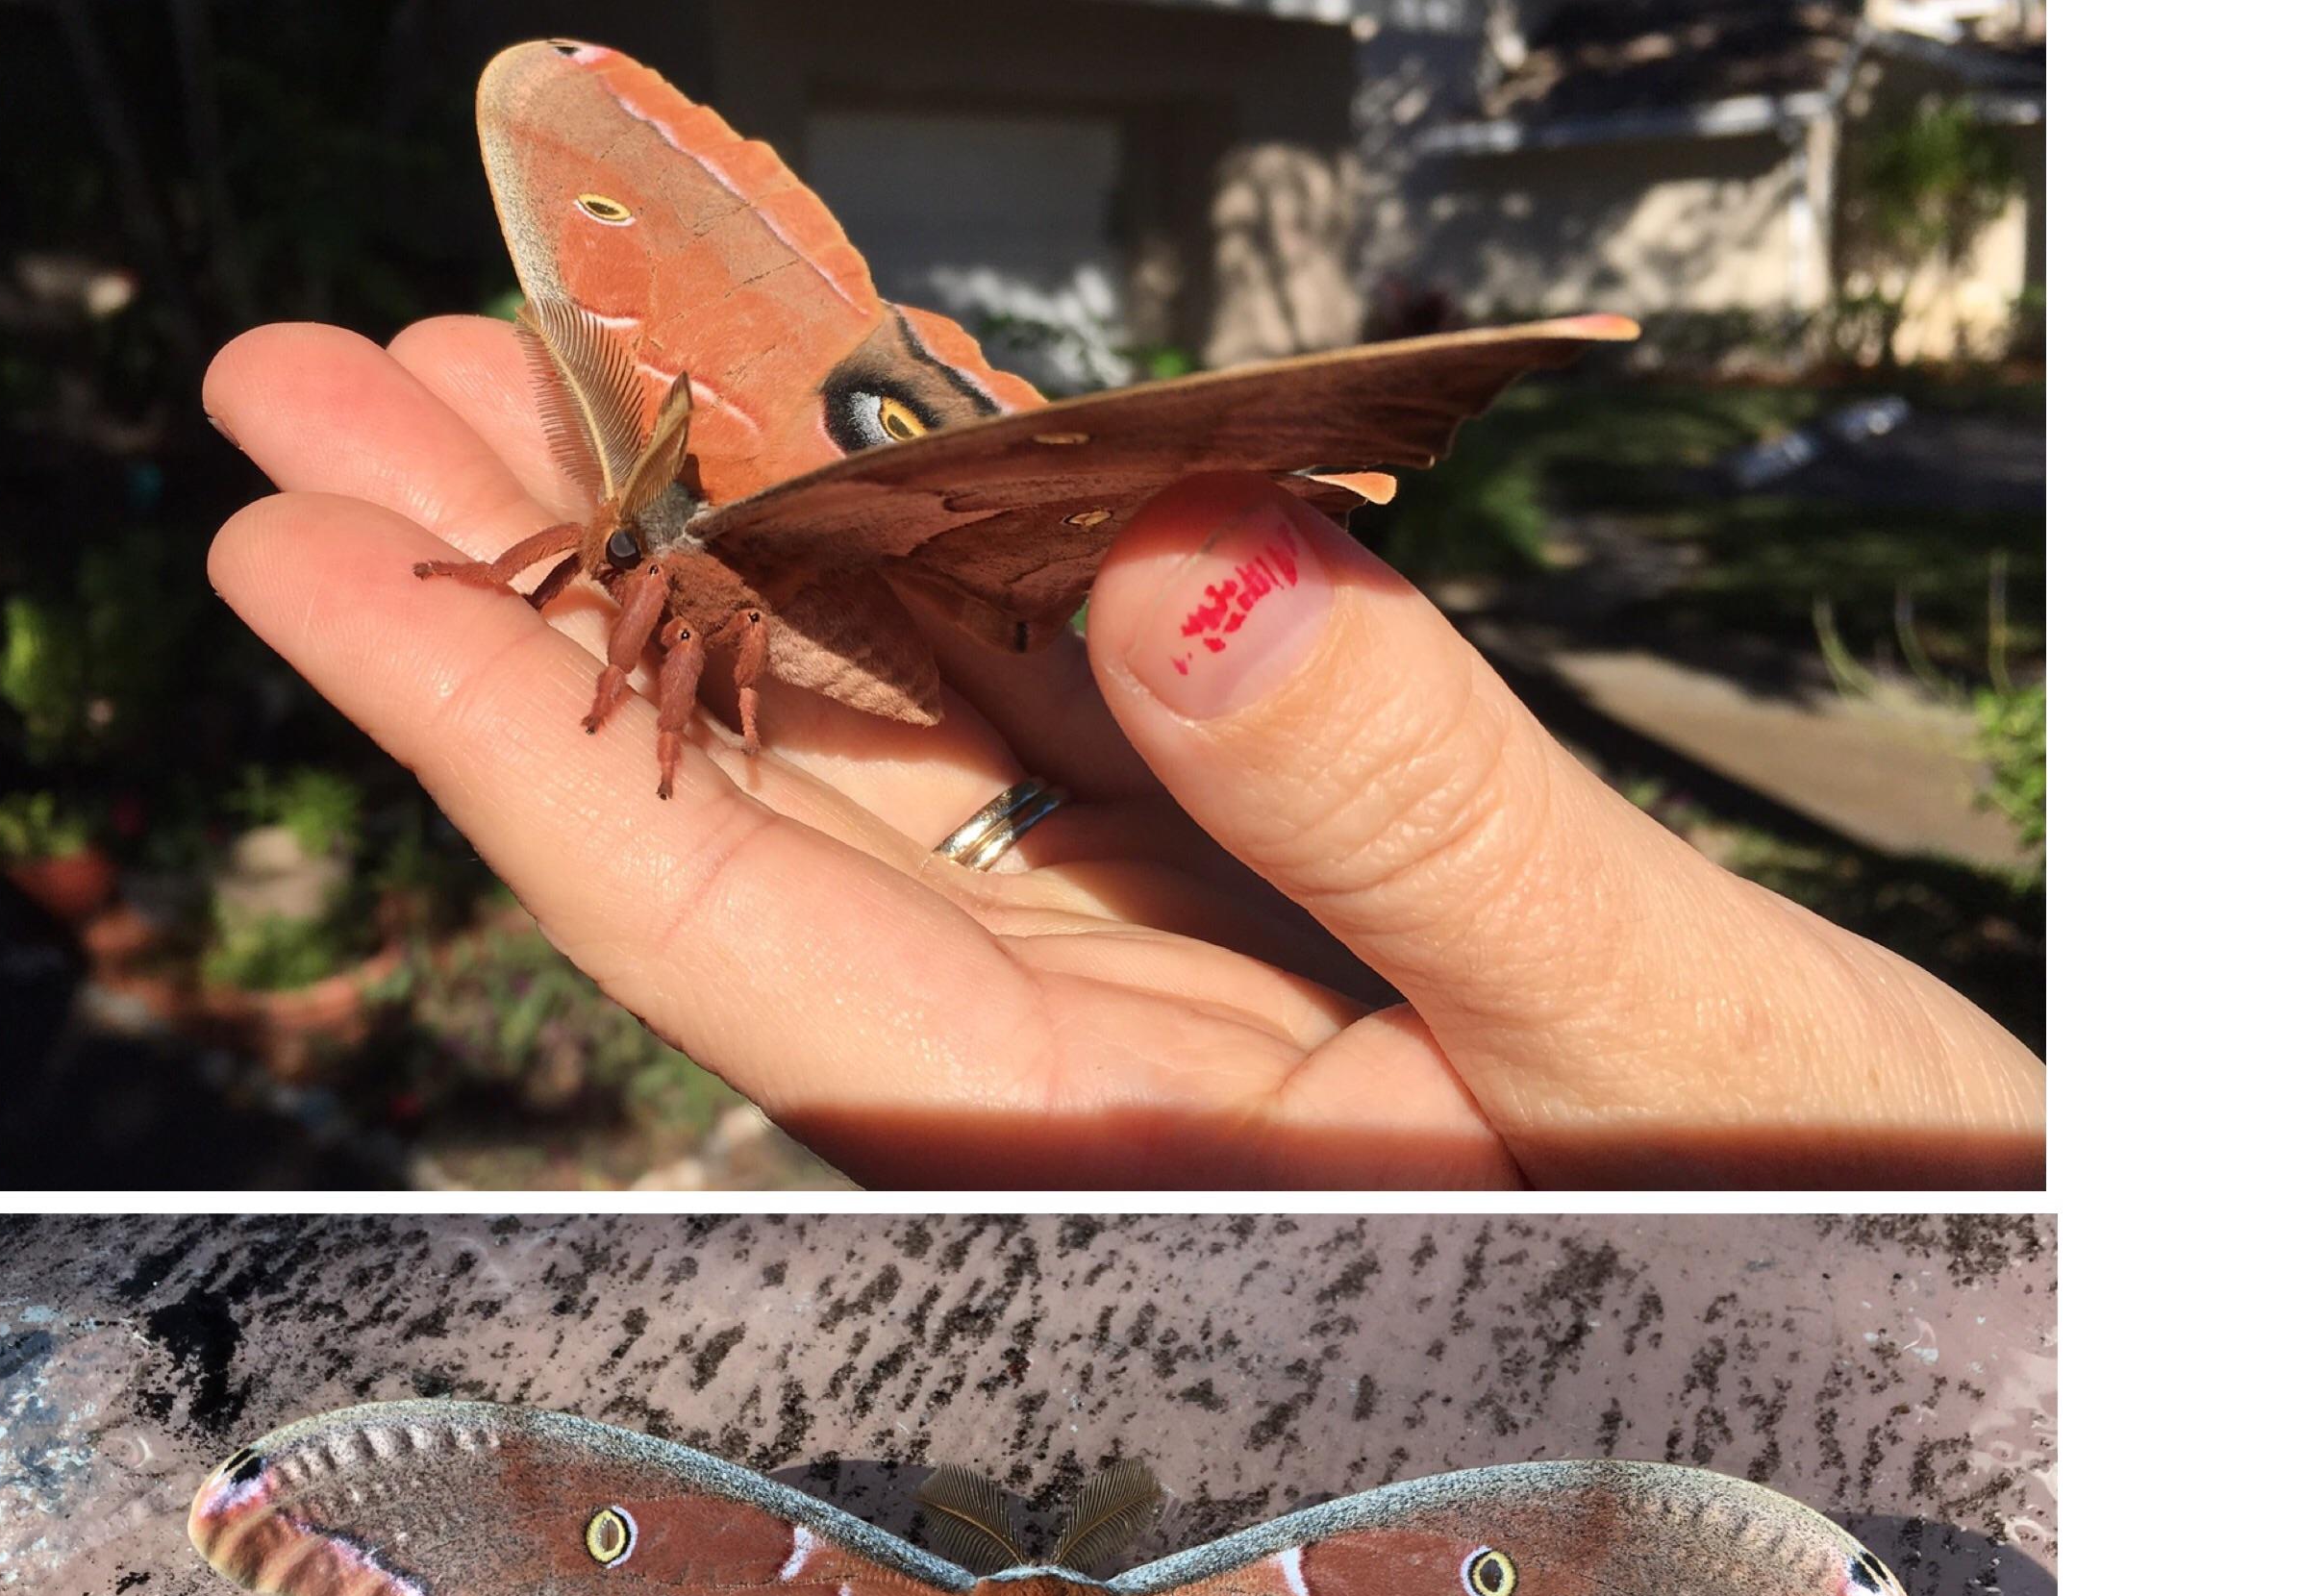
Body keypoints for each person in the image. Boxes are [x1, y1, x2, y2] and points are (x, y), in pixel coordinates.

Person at [203, 316, 2044, 1188]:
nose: (611, 589)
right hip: (847, 638)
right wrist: (561, 623)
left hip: (865, 609)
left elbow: (650, 591)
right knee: (614, 584)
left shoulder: (702, 570)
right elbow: (599, 571)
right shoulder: (646, 562)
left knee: (653, 586)